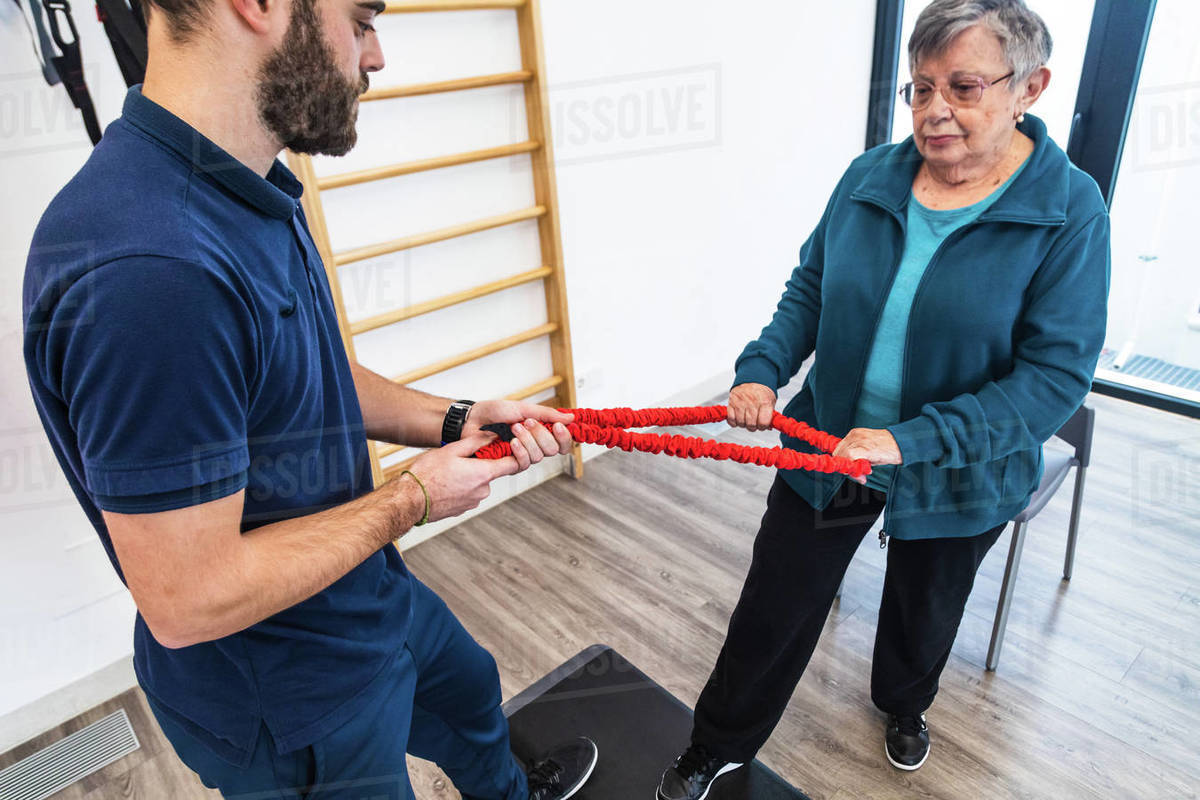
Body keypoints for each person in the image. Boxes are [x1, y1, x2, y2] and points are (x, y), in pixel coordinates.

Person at [21, 0, 598, 796]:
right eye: (360, 20)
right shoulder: (150, 272)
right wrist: (413, 499)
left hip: (363, 597)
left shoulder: (244, 188)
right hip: (289, 704)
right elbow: (190, 600)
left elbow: (309, 374)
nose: (377, 55)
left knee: (470, 693)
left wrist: (457, 419)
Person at [656, 1, 1109, 797]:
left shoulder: (1071, 212)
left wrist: (911, 442)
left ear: (1029, 87)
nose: (935, 111)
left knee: (922, 615)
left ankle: (905, 705)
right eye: (920, 88)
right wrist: (762, 368)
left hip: (957, 471)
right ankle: (715, 743)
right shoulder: (870, 176)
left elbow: (1052, 380)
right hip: (828, 447)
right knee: (772, 612)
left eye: (963, 88)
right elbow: (811, 289)